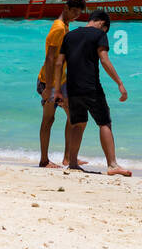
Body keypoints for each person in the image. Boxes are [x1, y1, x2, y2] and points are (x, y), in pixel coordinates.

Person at [52, 10, 131, 175]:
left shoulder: (70, 35)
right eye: (105, 30)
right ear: (102, 24)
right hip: (91, 87)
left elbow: (59, 64)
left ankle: (72, 163)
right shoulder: (98, 34)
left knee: (78, 124)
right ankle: (112, 165)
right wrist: (120, 83)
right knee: (104, 123)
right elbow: (104, 59)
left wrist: (58, 90)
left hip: (72, 88)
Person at [36, 0, 86, 168]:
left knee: (73, 117)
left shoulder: (65, 25)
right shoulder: (58, 28)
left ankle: (68, 157)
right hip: (51, 82)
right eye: (73, 12)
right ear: (66, 8)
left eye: (78, 14)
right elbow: (50, 58)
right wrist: (49, 87)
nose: (75, 16)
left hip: (61, 81)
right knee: (49, 120)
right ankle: (44, 160)